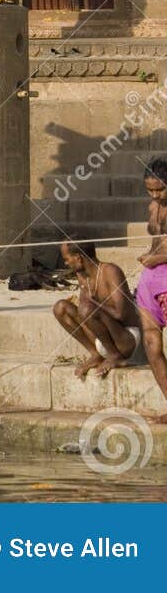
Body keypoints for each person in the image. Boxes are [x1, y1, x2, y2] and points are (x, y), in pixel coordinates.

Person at [53, 240, 140, 379]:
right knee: (60, 308)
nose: (66, 263)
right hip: (103, 338)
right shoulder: (81, 276)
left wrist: (94, 303)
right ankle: (96, 354)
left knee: (87, 308)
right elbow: (85, 316)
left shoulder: (111, 271)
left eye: (67, 259)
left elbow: (120, 314)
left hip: (126, 338)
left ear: (78, 258)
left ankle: (115, 356)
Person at [136, 159, 167, 421]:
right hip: (150, 278)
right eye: (151, 190)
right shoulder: (152, 206)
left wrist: (158, 259)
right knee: (150, 342)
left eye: (160, 190)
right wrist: (151, 256)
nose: (155, 195)